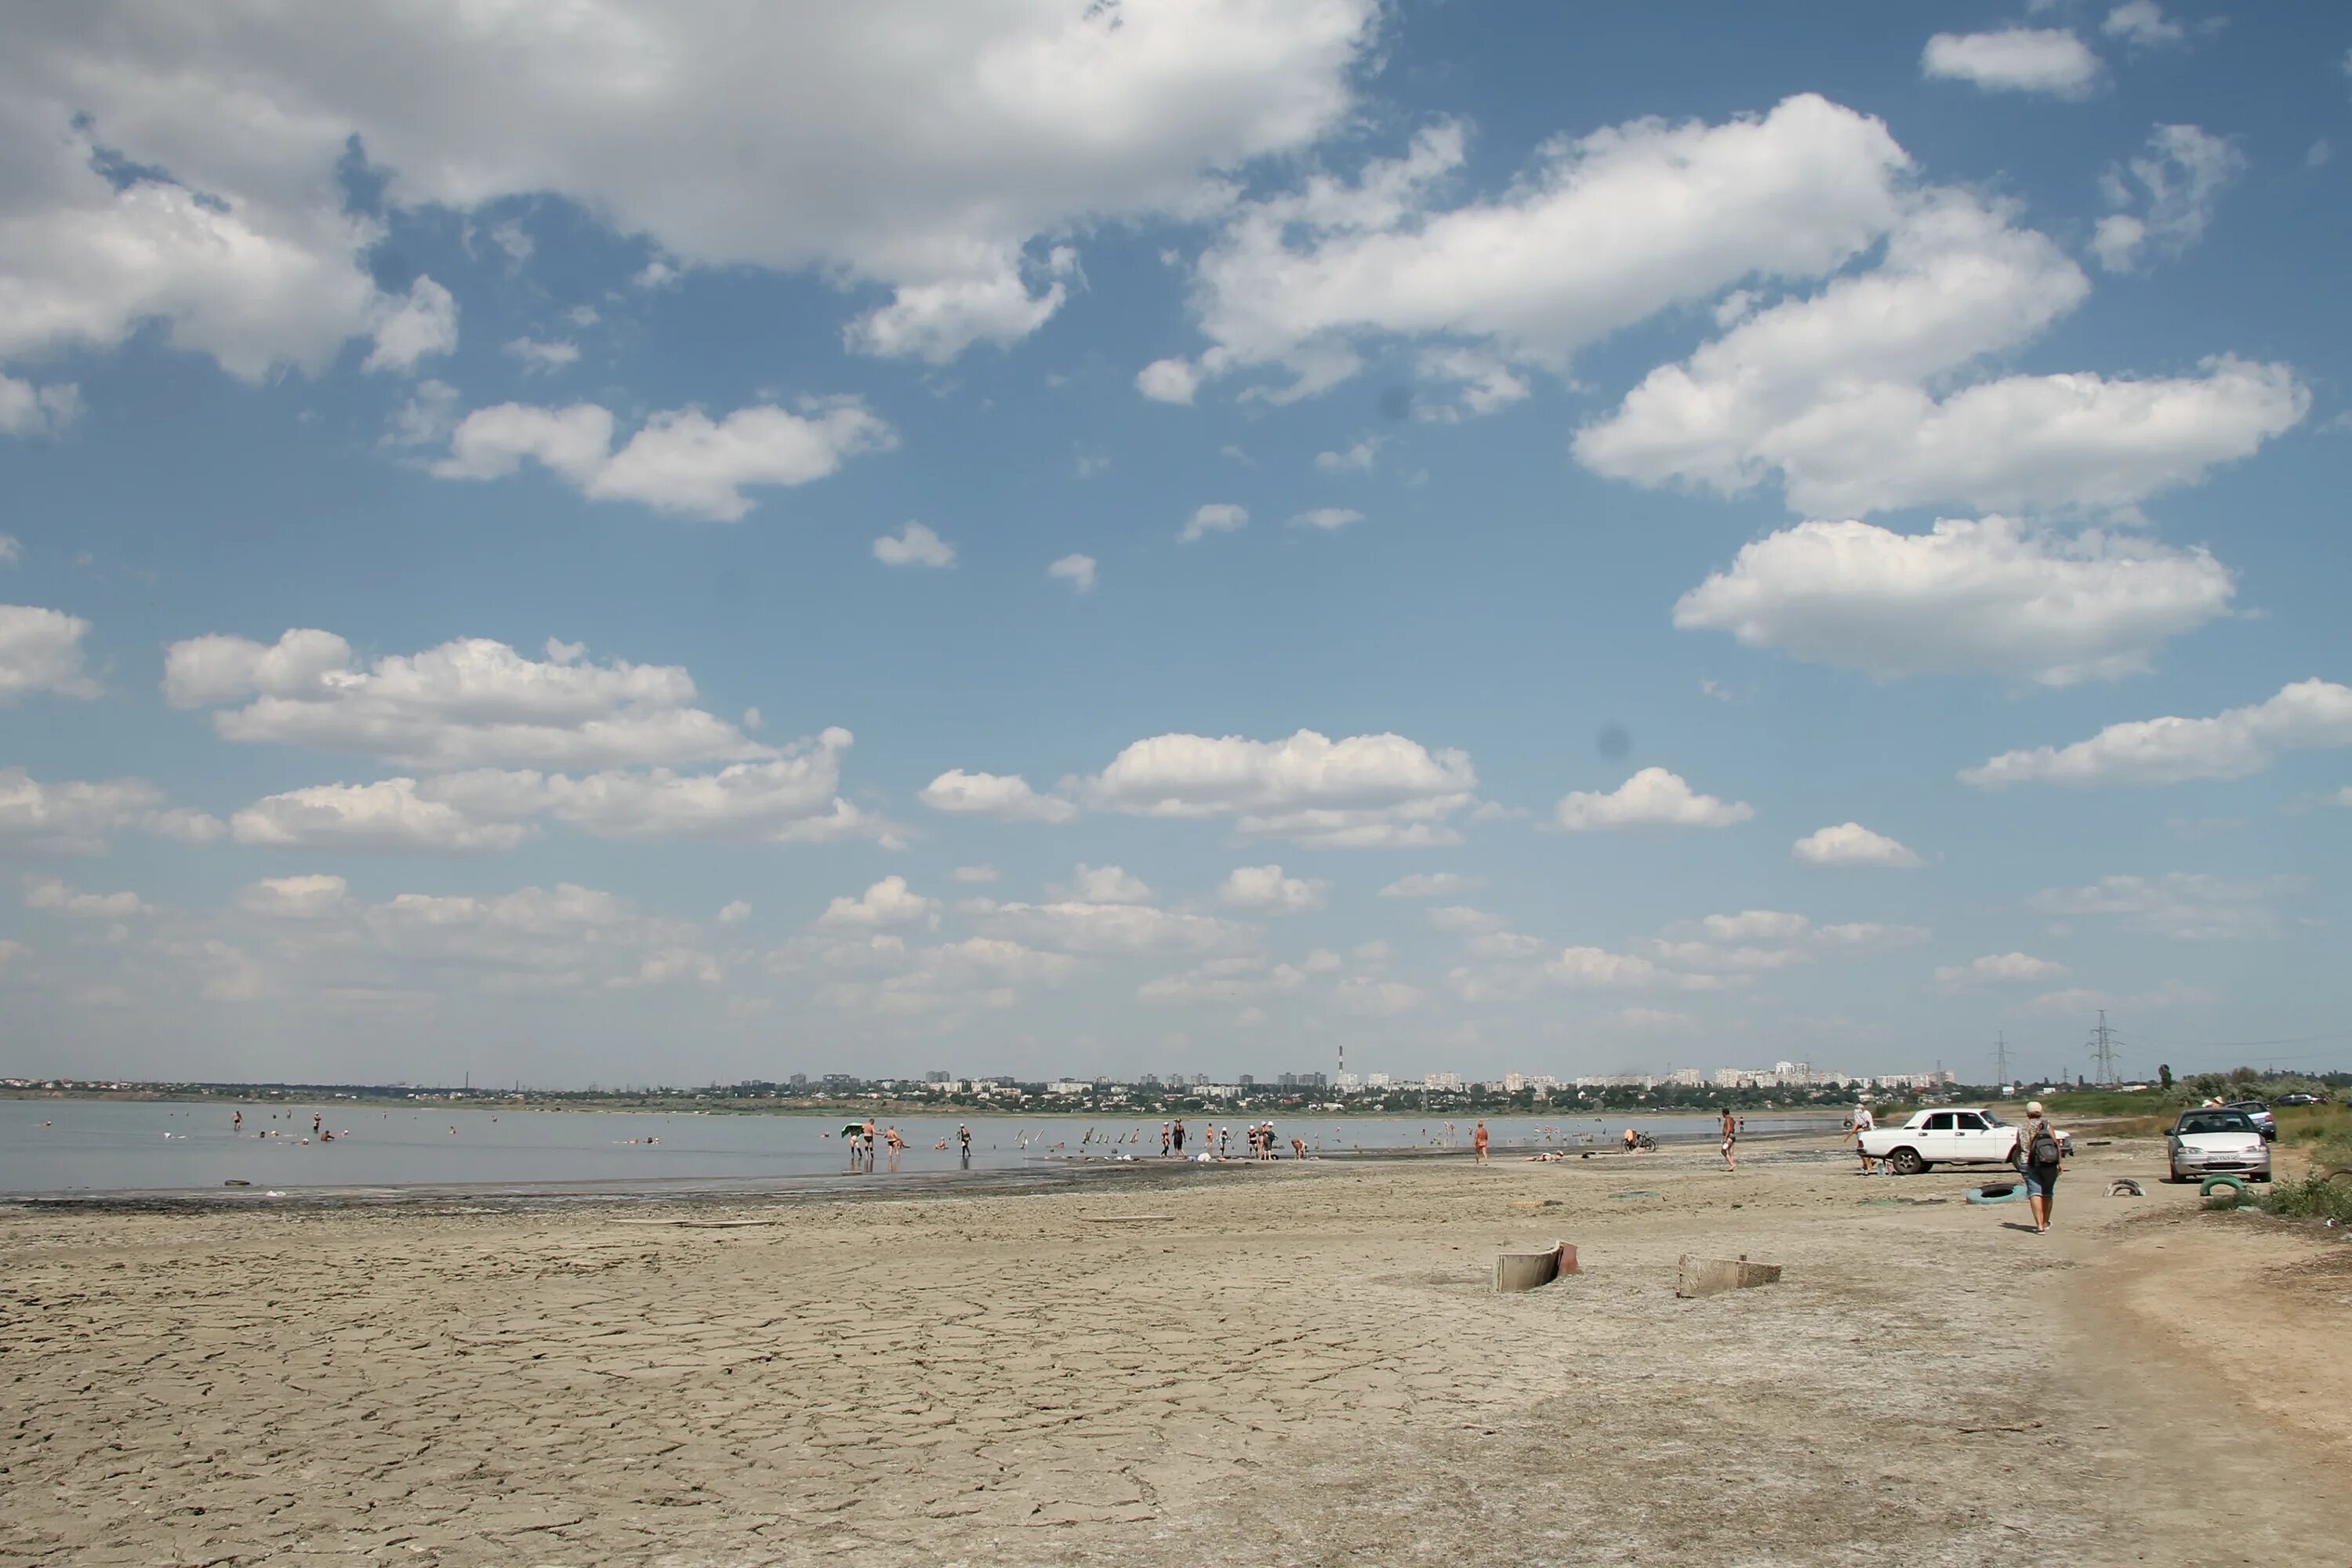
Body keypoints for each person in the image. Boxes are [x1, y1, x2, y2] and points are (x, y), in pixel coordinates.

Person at [2015, 1100, 2063, 1232]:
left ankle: (2039, 1226)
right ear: (2041, 1111)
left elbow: (2019, 1145)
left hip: (2027, 1162)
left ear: (2027, 1113)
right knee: (2047, 1192)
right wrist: (2060, 1162)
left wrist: (2018, 1162)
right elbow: (2055, 1144)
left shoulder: (2021, 1126)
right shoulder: (2046, 1124)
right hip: (2047, 1161)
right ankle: (2045, 1221)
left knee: (2034, 1192)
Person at [1852, 1103, 1876, 1173]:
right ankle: (1869, 1163)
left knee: (1861, 1150)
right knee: (1866, 1148)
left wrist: (1854, 1130)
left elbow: (1858, 1124)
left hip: (1862, 1133)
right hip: (1869, 1132)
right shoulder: (1867, 1113)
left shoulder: (1858, 1114)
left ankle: (1867, 1165)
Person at [1719, 1108, 1737, 1174]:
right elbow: (1734, 1123)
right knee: (1731, 1152)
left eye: (1722, 1114)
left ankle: (1732, 1165)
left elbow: (1729, 1129)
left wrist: (1725, 1137)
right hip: (1733, 1136)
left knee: (1723, 1151)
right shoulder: (1731, 1119)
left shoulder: (1728, 1119)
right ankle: (1732, 1167)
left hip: (1729, 1137)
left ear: (1724, 1113)